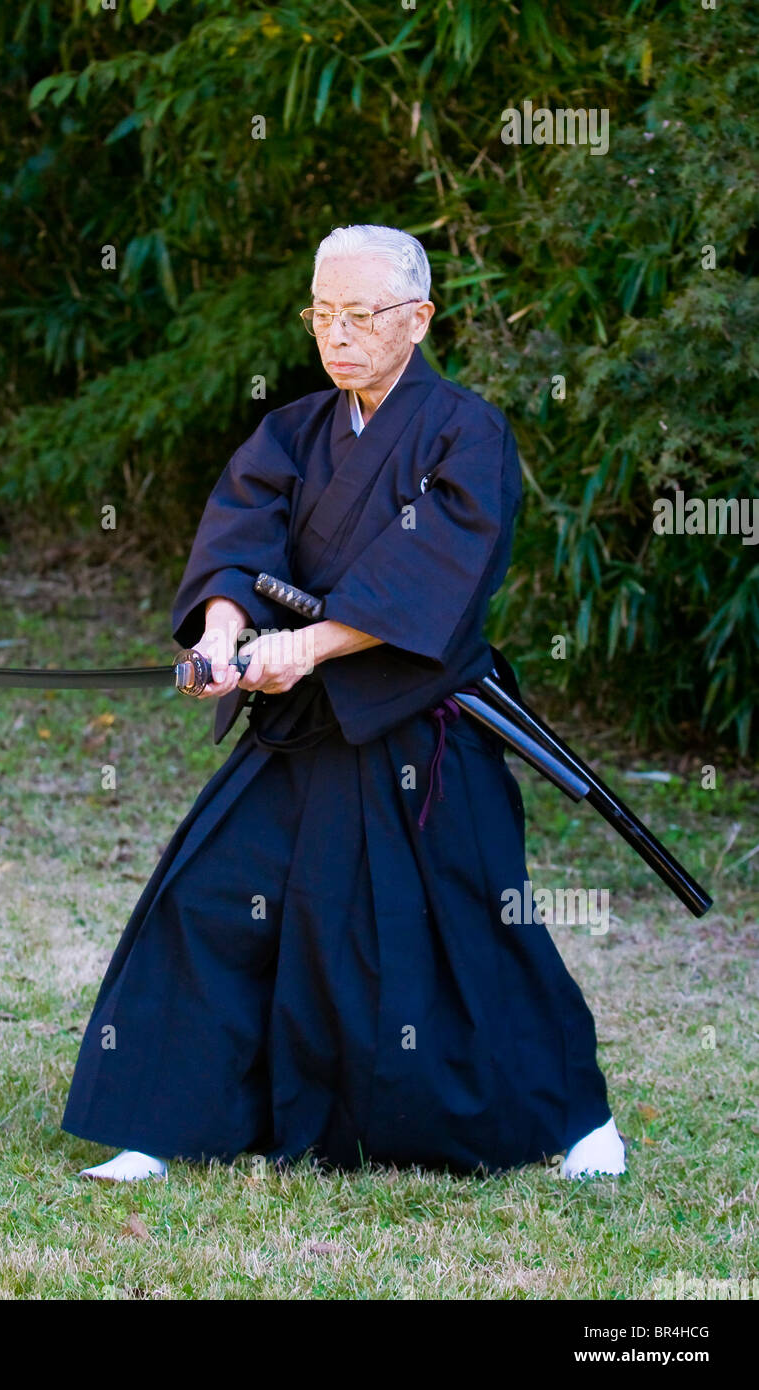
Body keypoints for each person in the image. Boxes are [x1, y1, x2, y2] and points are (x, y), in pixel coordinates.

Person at [60, 223, 626, 1183]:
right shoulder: (293, 430)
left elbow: (428, 575)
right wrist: (222, 639)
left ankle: (577, 1123)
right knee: (209, 897)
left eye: (360, 314)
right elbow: (242, 541)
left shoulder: (465, 431)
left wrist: (307, 648)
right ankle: (161, 1124)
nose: (338, 335)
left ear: (419, 318)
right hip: (302, 727)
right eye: (322, 314)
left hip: (419, 725)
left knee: (472, 922)